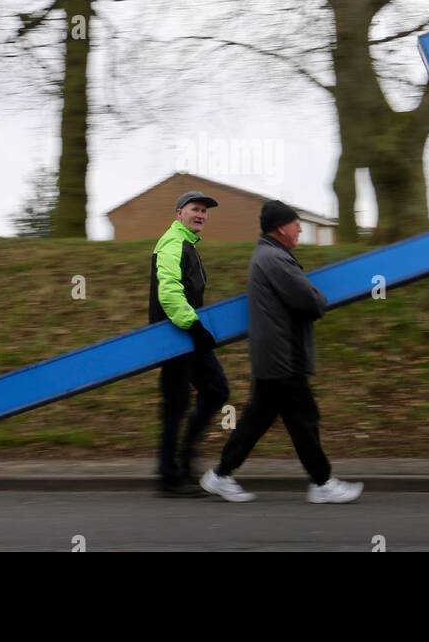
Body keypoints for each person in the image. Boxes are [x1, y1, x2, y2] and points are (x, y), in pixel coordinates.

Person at [201, 200, 362, 504]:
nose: (299, 228)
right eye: (295, 223)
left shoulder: (269, 256)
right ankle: (322, 483)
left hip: (274, 356)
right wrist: (318, 298)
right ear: (280, 228)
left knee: (257, 420)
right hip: (283, 357)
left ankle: (221, 475)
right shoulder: (275, 259)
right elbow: (307, 298)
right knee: (303, 419)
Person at [150, 191, 230, 496]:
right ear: (178, 214)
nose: (201, 214)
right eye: (195, 209)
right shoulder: (174, 243)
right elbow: (169, 292)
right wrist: (194, 326)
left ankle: (183, 459)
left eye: (204, 211)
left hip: (186, 336)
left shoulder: (187, 244)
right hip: (173, 336)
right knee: (176, 404)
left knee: (215, 390)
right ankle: (169, 476)